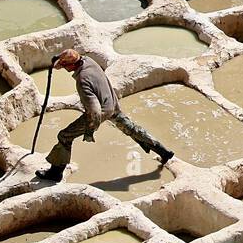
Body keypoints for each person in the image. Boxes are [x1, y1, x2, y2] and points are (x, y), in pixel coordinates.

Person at [34, 49, 173, 182]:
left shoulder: (82, 80)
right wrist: (58, 59)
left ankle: (55, 173)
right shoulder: (88, 60)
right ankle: (163, 151)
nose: (64, 68)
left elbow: (94, 111)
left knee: (64, 136)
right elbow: (71, 55)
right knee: (130, 128)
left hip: (101, 111)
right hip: (111, 102)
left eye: (65, 66)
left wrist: (89, 131)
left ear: (71, 65)